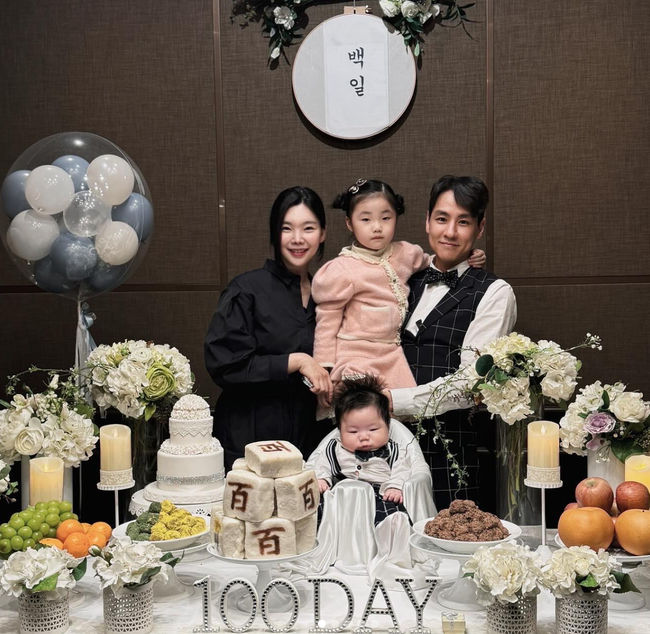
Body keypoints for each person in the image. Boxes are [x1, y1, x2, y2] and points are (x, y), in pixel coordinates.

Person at [387, 175, 517, 510]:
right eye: (442, 219)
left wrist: (390, 401)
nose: (450, 232)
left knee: (447, 539)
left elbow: (469, 384)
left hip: (450, 457)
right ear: (427, 221)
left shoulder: (494, 293)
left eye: (463, 222)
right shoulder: (399, 278)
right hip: (382, 451)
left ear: (480, 228)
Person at [311, 179, 485, 394]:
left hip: (392, 355)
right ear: (349, 223)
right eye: (365, 219)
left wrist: (468, 256)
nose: (377, 227)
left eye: (386, 218)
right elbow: (327, 323)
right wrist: (324, 368)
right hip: (355, 353)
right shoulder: (341, 269)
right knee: (361, 404)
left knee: (403, 405)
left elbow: (436, 262)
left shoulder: (406, 253)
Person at [204, 186, 333, 471]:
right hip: (248, 440)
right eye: (287, 228)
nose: (297, 239)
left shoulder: (328, 295)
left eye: (308, 228)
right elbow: (223, 364)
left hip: (309, 442)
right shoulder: (246, 290)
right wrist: (296, 361)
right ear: (275, 233)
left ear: (323, 233)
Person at [313, 375, 410, 525]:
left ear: (388, 426)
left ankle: (385, 536)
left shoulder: (394, 450)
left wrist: (394, 487)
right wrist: (322, 479)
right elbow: (321, 464)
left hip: (378, 496)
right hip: (340, 495)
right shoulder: (334, 448)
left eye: (373, 429)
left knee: (391, 516)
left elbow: (402, 470)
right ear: (340, 431)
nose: (364, 437)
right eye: (353, 431)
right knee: (318, 508)